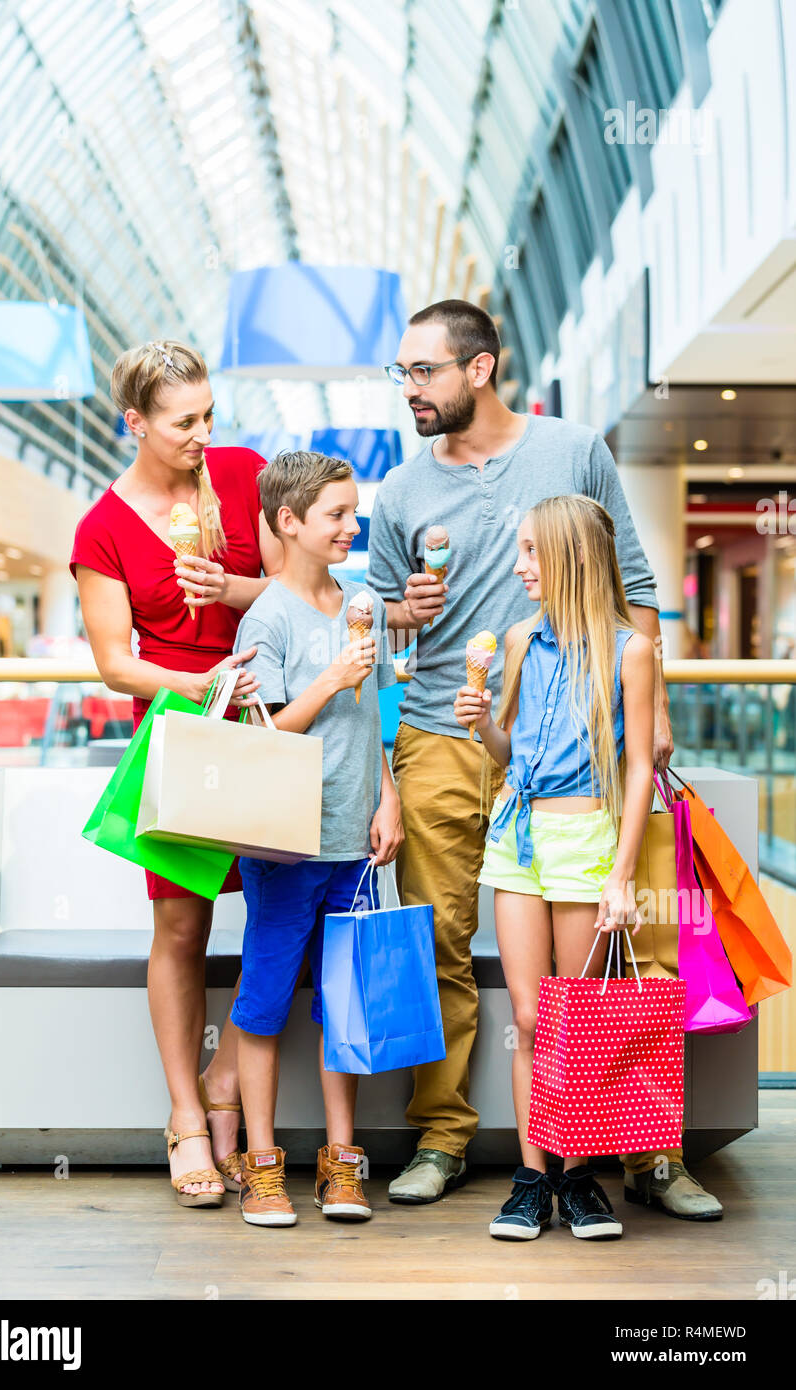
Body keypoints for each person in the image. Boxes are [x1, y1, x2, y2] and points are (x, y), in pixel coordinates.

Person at [368, 298, 721, 1219]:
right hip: (450, 732)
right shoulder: (402, 490)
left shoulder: (572, 451)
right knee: (439, 936)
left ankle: (648, 1149)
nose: (409, 388)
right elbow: (371, 617)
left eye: (423, 371)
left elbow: (634, 582)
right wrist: (403, 606)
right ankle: (444, 1135)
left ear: (478, 369)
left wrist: (654, 717)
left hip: (584, 750)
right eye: (401, 373)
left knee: (629, 944)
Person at [70, 339, 283, 1208]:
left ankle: (227, 1076)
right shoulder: (104, 528)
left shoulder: (245, 473)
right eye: (182, 422)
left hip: (270, 720)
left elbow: (295, 580)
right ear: (135, 422)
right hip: (177, 736)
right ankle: (186, 1117)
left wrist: (232, 592)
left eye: (208, 417)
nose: (203, 436)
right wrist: (197, 685)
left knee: (290, 912)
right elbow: (116, 664)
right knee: (181, 932)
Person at [456, 496, 652, 1240]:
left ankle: (579, 1177)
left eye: (532, 552)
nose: (519, 567)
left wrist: (621, 873)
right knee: (530, 1017)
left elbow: (637, 773)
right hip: (515, 840)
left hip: (585, 843)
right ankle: (534, 1178)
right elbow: (510, 756)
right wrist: (482, 728)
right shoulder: (516, 641)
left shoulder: (629, 650)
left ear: (570, 556)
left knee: (574, 1019)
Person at [230, 450, 403, 1227]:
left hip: (353, 845)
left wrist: (388, 796)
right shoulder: (265, 618)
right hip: (283, 847)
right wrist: (332, 677)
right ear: (288, 523)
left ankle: (342, 1162)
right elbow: (264, 733)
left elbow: (375, 724)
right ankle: (262, 1165)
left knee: (347, 1007)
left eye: (353, 511)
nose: (352, 525)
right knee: (264, 1004)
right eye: (336, 513)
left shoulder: (364, 605)